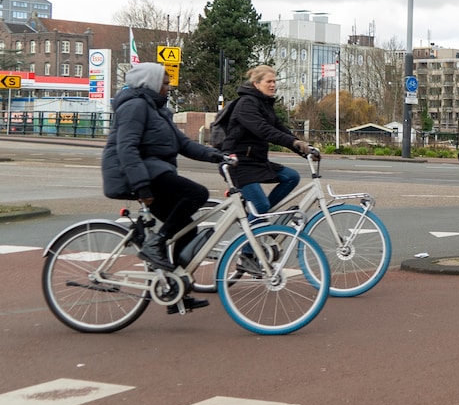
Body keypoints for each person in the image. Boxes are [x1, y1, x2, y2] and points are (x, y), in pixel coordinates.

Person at [101, 62, 227, 314]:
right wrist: (142, 186)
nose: (169, 87)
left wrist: (217, 156)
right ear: (151, 83)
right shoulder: (135, 106)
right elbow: (126, 148)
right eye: (166, 82)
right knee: (197, 193)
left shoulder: (158, 111)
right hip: (136, 175)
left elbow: (184, 144)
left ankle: (175, 290)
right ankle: (155, 244)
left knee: (186, 231)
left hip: (154, 172)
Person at [220, 65, 309, 221]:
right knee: (261, 206)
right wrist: (293, 142)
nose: (273, 85)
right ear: (256, 84)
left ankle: (258, 217)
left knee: (291, 177)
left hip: (256, 161)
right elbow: (264, 130)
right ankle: (250, 242)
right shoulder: (246, 104)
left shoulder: (264, 103)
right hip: (238, 163)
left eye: (274, 81)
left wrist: (303, 149)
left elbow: (279, 128)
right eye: (269, 81)